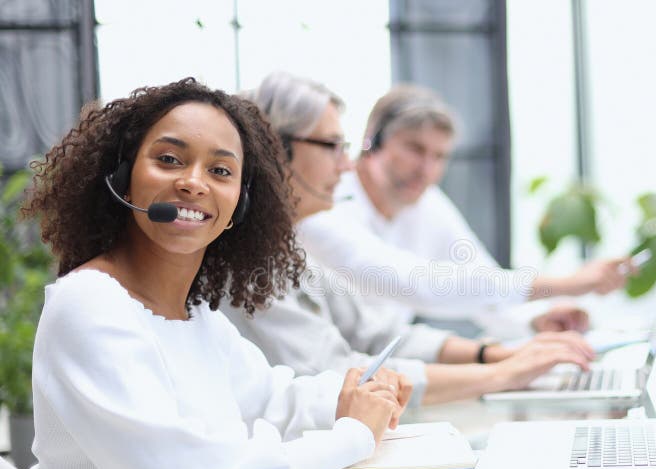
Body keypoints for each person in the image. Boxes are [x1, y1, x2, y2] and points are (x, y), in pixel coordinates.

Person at [20, 78, 411, 469]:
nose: (193, 183)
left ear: (240, 204)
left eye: (221, 171)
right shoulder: (90, 305)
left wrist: (358, 392)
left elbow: (272, 401)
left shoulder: (196, 316)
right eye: (169, 160)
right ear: (122, 176)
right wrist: (353, 436)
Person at [221, 72, 594, 406]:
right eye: (332, 145)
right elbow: (334, 371)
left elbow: (376, 333)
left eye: (439, 156)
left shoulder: (286, 242)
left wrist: (496, 354)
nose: (345, 163)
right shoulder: (265, 250)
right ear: (275, 147)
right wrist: (500, 373)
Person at [296, 84, 631, 328]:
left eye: (440, 156)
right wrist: (567, 283)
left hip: (390, 372)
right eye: (415, 149)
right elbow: (417, 283)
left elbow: (478, 275)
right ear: (373, 140)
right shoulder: (324, 202)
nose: (426, 169)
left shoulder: (427, 203)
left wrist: (535, 320)